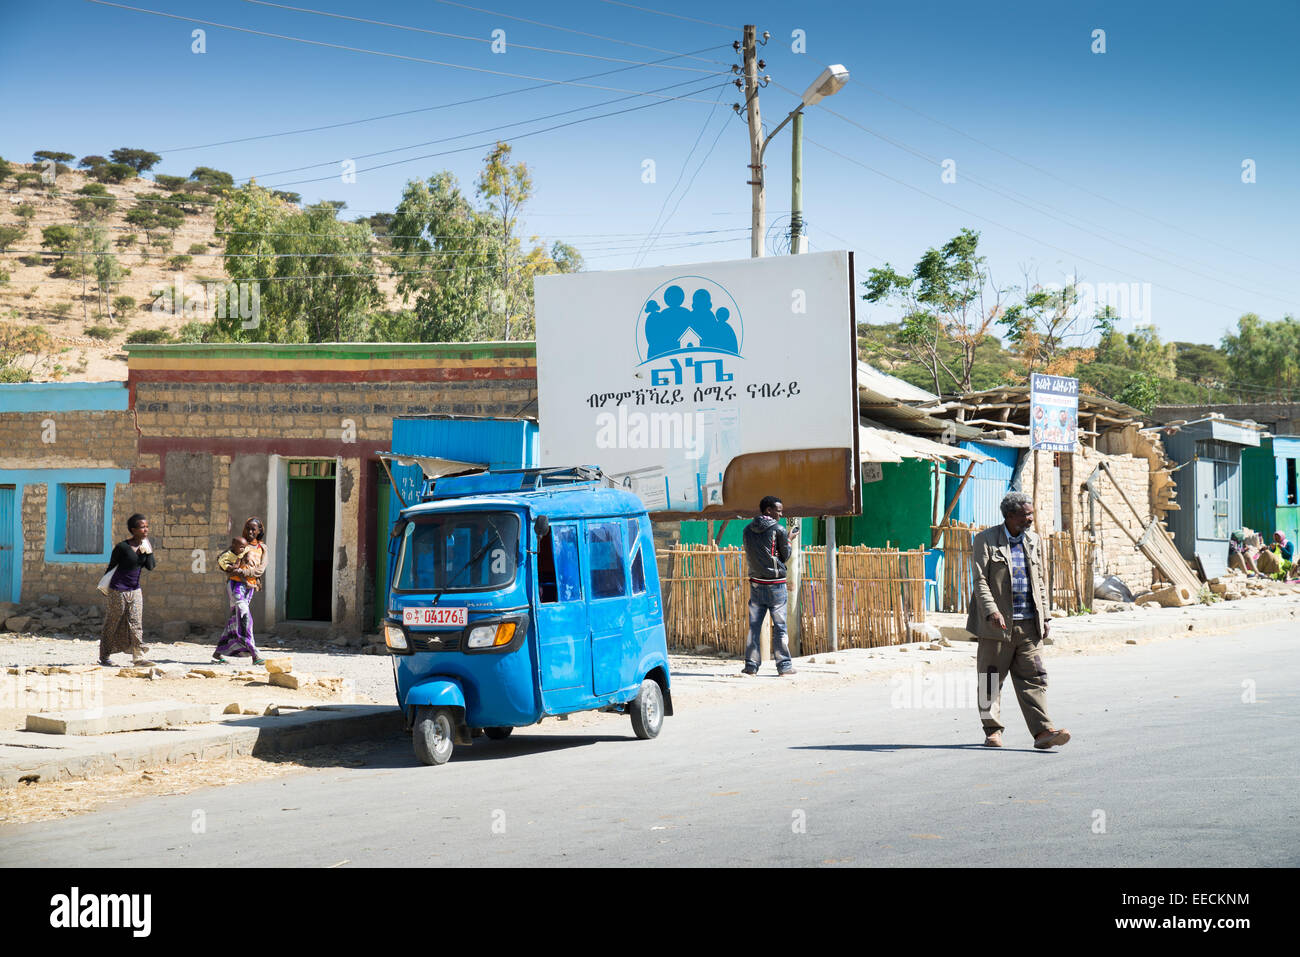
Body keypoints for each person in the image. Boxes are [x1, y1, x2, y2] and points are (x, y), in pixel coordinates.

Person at [966, 491, 1071, 750]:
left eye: (1031, 513)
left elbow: (1040, 581)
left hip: (1029, 625)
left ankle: (1043, 732)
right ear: (1010, 515)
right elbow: (979, 580)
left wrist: (1044, 615)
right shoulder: (986, 540)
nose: (1030, 519)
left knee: (1034, 678)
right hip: (996, 627)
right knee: (990, 679)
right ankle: (992, 730)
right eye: (1025, 514)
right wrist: (992, 610)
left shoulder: (1033, 540)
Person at [740, 495, 796, 676]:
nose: (780, 514)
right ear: (768, 510)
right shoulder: (778, 529)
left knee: (754, 626)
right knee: (780, 626)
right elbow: (785, 555)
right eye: (778, 511)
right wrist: (789, 539)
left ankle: (751, 666)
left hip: (756, 585)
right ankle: (784, 666)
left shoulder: (747, 530)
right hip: (776, 586)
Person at [99, 514, 156, 667]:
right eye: (142, 527)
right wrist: (107, 588)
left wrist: (148, 552)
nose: (146, 529)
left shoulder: (145, 546)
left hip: (135, 590)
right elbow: (111, 567)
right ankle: (104, 656)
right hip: (118, 590)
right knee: (113, 621)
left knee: (136, 623)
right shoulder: (122, 547)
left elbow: (150, 566)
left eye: (147, 526)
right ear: (133, 530)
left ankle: (138, 657)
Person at [212, 517, 268, 665]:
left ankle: (218, 653)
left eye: (253, 529)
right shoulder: (240, 544)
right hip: (235, 585)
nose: (250, 531)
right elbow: (222, 559)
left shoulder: (262, 548)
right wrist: (231, 568)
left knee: (234, 618)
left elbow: (261, 569)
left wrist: (244, 572)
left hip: (249, 587)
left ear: (259, 531)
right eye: (248, 528)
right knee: (244, 617)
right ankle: (255, 653)